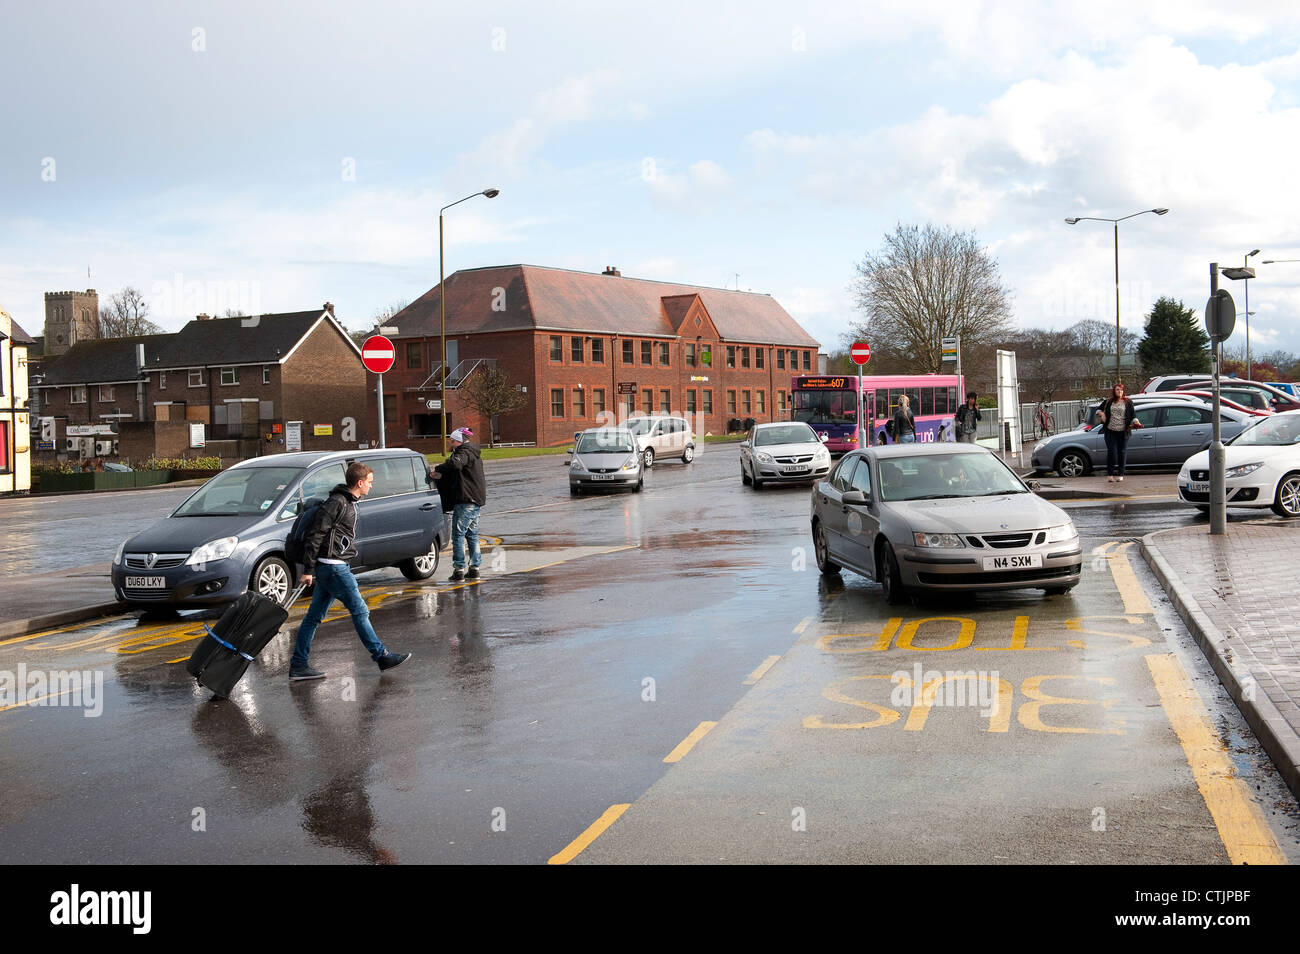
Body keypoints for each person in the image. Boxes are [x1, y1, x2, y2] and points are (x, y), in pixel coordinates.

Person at [290, 462, 410, 680]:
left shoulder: (347, 502)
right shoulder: (337, 503)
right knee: (360, 611)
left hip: (331, 567)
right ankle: (381, 656)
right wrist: (308, 569)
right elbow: (315, 535)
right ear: (360, 482)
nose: (371, 487)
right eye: (370, 483)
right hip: (333, 568)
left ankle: (298, 664)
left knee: (313, 617)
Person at [435, 427, 487, 582]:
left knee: (458, 535)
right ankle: (475, 568)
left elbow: (456, 465)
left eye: (452, 441)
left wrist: (438, 469)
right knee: (472, 535)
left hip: (465, 501)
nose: (451, 444)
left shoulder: (463, 452)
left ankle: (459, 570)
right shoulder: (473, 452)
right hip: (475, 500)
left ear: (459, 440)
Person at [1096, 383, 1142, 482]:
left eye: (1121, 390)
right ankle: (1110, 474)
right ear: (1114, 391)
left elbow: (1133, 415)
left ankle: (1121, 474)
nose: (1119, 392)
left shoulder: (1128, 402)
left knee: (1122, 452)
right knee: (1112, 452)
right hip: (1110, 430)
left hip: (1123, 431)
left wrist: (1136, 421)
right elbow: (1098, 410)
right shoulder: (1108, 401)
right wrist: (1102, 414)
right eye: (1117, 390)